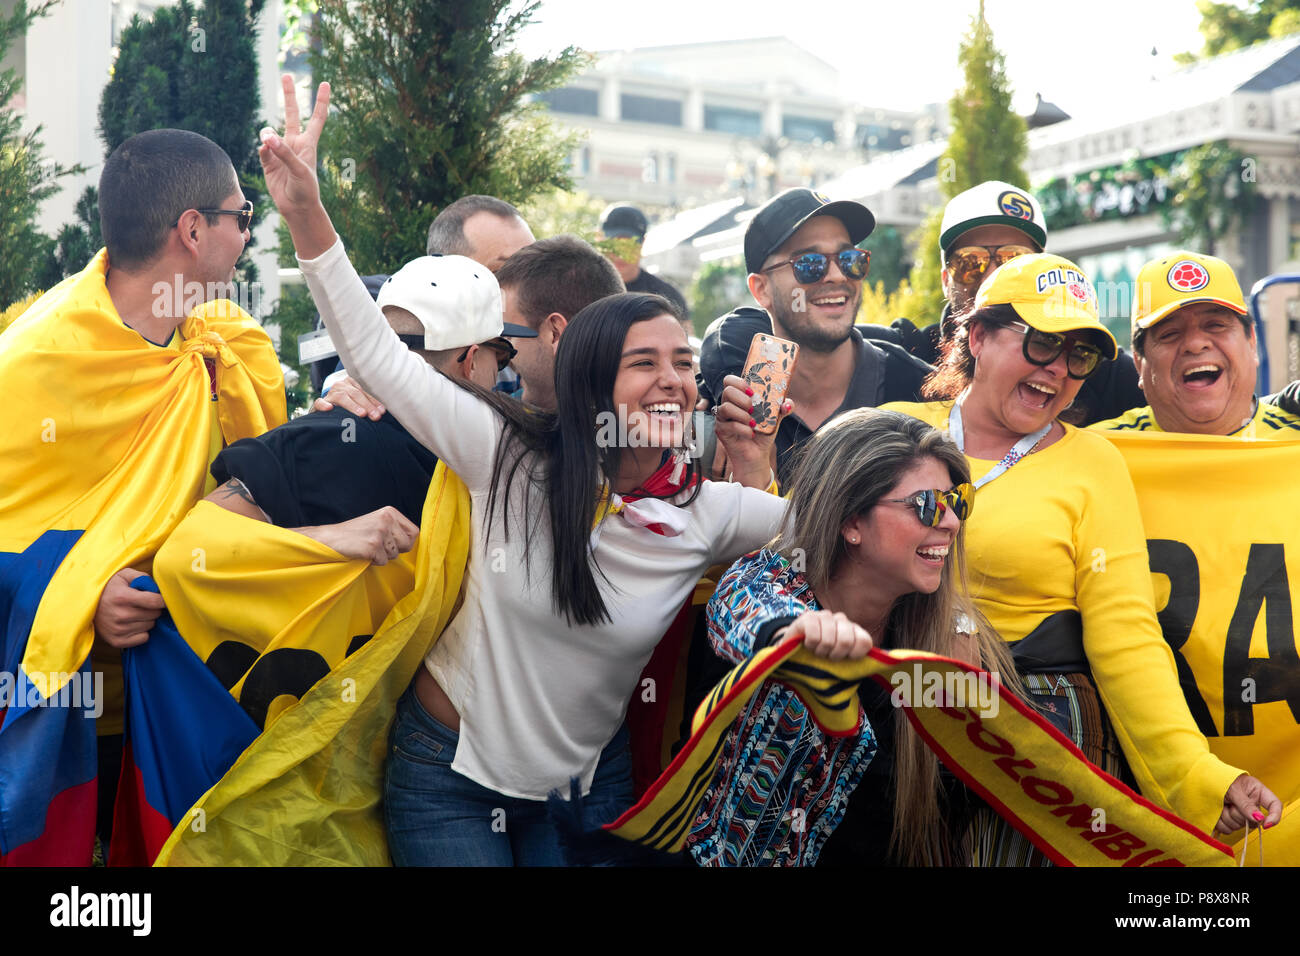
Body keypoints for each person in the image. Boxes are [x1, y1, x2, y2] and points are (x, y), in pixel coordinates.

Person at [257, 76, 790, 866]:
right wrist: (304, 207)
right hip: (449, 783)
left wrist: (762, 459)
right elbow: (372, 348)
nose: (674, 379)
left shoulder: (706, 510)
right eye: (643, 362)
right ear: (588, 375)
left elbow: (825, 538)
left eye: (683, 362)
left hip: (586, 789)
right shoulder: (506, 455)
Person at [884, 252, 1281, 862]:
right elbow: (800, 555)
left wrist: (1199, 775)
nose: (1060, 370)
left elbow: (1126, 639)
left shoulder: (1093, 462)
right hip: (883, 727)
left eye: (1079, 355)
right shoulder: (888, 430)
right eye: (1042, 342)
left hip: (1027, 750)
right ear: (980, 335)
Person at [0, 128, 285, 863]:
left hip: (190, 698)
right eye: (242, 214)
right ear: (193, 230)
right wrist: (80, 599)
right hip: (62, 718)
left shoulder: (221, 347)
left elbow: (271, 485)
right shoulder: (34, 363)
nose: (248, 234)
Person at [692, 408, 1021, 866]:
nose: (950, 522)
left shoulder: (950, 637)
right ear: (851, 521)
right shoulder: (768, 581)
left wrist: (962, 697)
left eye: (958, 500)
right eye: (926, 504)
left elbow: (972, 799)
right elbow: (745, 612)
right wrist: (798, 633)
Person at [206, 253, 531, 539]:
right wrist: (327, 537)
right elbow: (199, 538)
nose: (505, 372)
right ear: (472, 362)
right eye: (501, 355)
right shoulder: (336, 434)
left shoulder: (452, 453)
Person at [697, 187, 932, 488]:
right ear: (761, 289)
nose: (837, 275)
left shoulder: (916, 389)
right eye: (809, 264)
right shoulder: (737, 414)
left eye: (849, 259)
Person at [319, 235, 623, 417]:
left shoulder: (639, 434)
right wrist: (352, 390)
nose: (497, 346)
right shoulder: (494, 418)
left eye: (504, 332)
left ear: (556, 333)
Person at [1094, 250, 1300, 436]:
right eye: (1170, 333)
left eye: (1215, 325)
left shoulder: (1293, 439)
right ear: (1139, 362)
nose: (1195, 344)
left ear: (1252, 342)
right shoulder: (1099, 454)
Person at [494, 235, 625, 411]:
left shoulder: (503, 429)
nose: (501, 355)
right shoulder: (643, 422)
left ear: (555, 333)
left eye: (509, 336)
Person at [598, 203, 690, 331]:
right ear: (600, 240)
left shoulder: (667, 295)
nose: (621, 254)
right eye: (614, 244)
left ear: (643, 243)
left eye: (629, 245)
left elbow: (685, 342)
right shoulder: (584, 289)